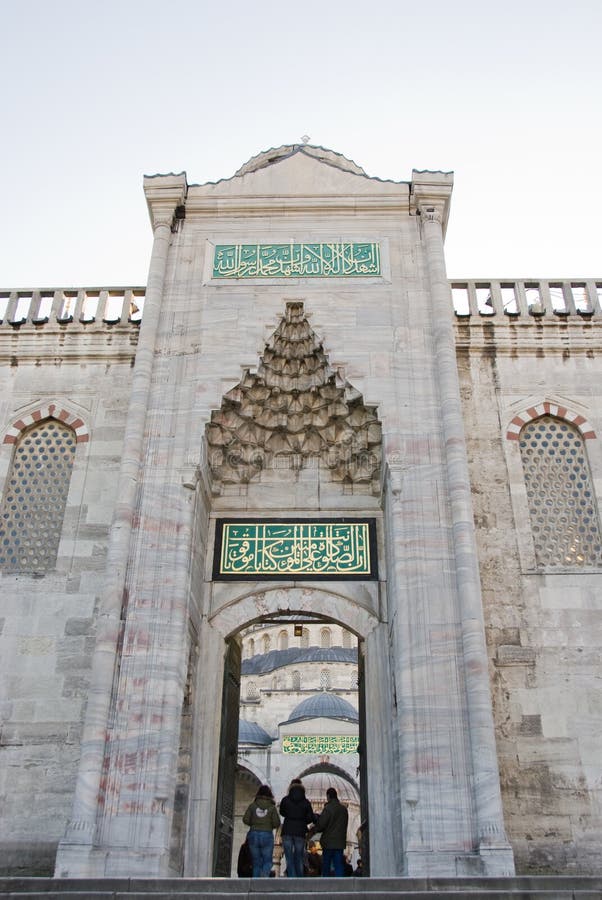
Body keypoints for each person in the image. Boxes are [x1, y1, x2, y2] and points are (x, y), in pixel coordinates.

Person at [279, 777, 316, 877]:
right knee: (299, 857)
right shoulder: (306, 802)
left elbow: (281, 812)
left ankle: (291, 878)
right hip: (300, 832)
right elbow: (309, 817)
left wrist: (290, 814)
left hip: (287, 831)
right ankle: (299, 879)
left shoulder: (285, 800)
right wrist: (302, 819)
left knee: (289, 857)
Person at [242, 784, 281, 877]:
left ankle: (256, 884)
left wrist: (254, 823)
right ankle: (263, 879)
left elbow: (245, 819)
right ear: (270, 795)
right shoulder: (272, 807)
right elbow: (276, 823)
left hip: (253, 834)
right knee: (267, 861)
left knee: (256, 863)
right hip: (267, 835)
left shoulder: (253, 806)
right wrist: (268, 825)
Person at [309, 787, 349, 877]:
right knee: (338, 865)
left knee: (326, 865)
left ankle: (326, 884)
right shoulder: (343, 810)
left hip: (329, 842)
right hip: (340, 842)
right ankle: (340, 884)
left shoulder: (328, 808)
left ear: (328, 796)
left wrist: (315, 829)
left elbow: (322, 824)